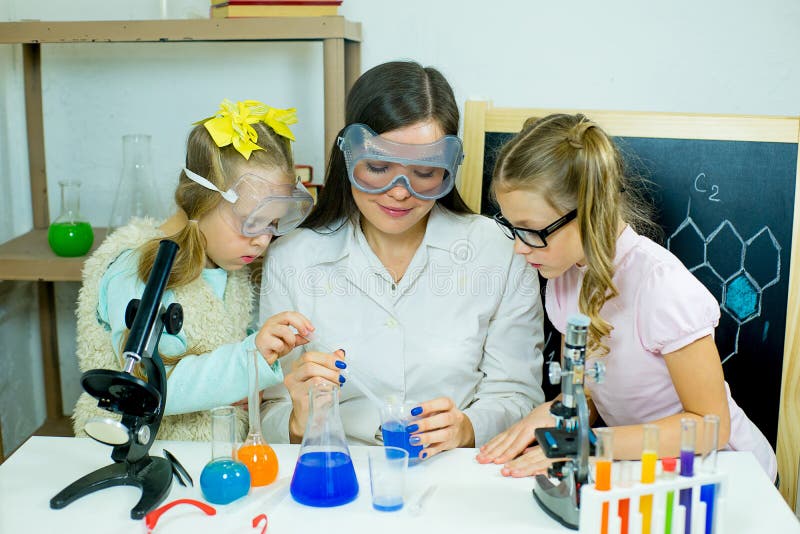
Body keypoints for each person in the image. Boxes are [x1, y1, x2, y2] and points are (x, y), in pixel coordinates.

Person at [259, 61, 545, 459]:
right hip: (336, 468)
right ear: (349, 157)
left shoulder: (500, 251)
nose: (400, 191)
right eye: (378, 167)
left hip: (457, 470)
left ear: (448, 168)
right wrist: (296, 420)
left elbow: (519, 396)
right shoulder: (292, 258)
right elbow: (267, 409)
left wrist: (467, 428)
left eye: (424, 171)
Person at [475, 113, 777, 481]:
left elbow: (709, 426)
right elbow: (592, 389)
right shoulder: (564, 275)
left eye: (532, 231)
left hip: (730, 472)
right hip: (649, 468)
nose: (519, 248)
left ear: (590, 212)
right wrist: (555, 414)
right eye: (512, 227)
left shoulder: (661, 286)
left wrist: (592, 444)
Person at [73, 99, 315, 441]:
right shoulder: (138, 269)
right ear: (201, 200)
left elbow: (222, 365)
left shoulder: (230, 270)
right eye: (250, 222)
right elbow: (145, 385)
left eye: (273, 224)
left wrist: (255, 380)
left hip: (209, 455)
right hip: (135, 449)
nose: (263, 240)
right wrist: (251, 359)